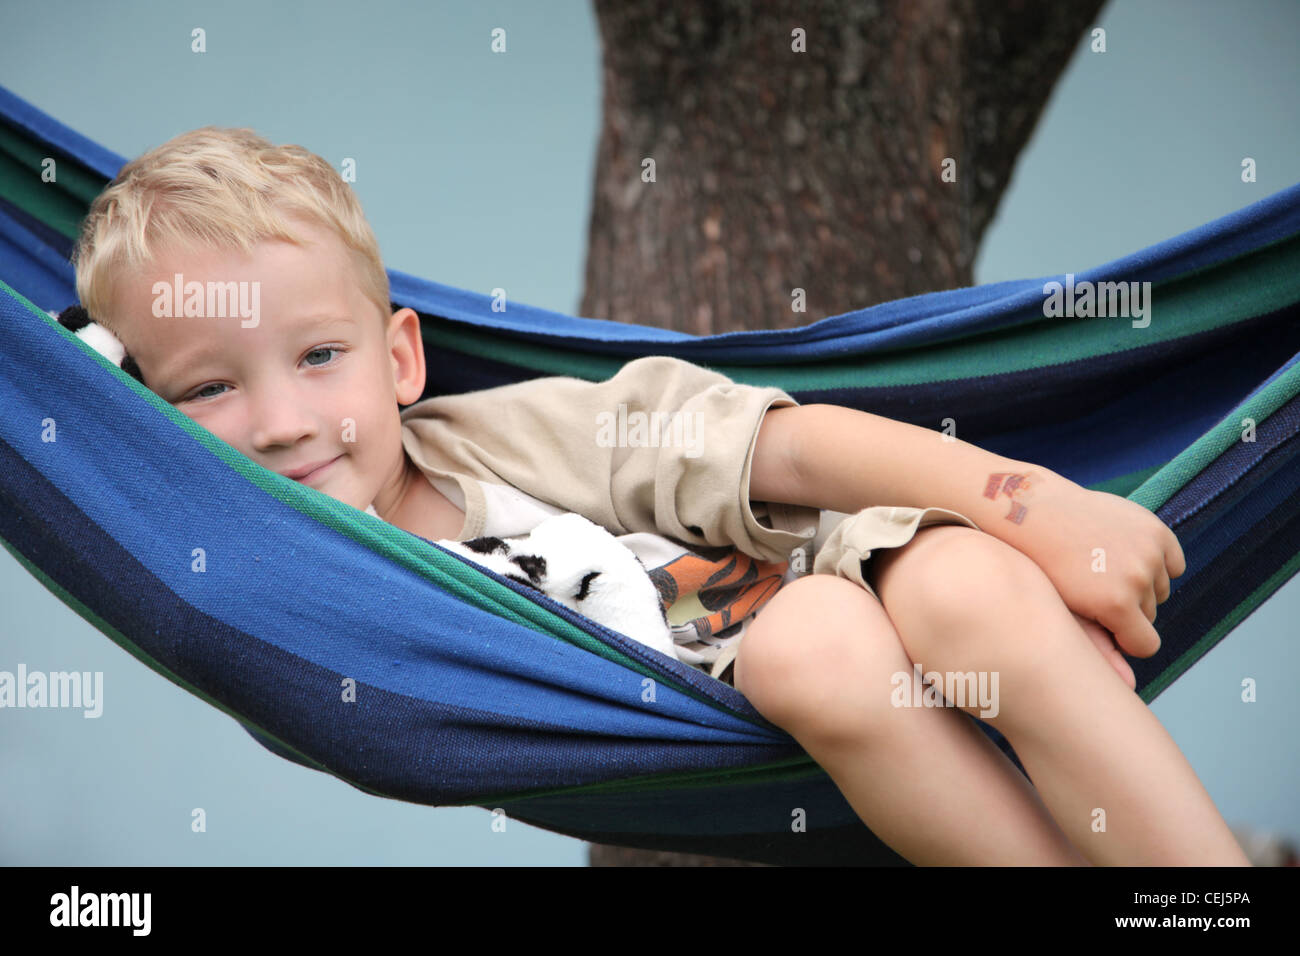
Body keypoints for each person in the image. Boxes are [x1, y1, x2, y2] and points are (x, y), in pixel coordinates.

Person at [69, 126, 1251, 867]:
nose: (279, 419)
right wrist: (106, 392)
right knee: (814, 650)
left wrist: (1039, 507)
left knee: (962, 589)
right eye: (211, 387)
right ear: (153, 421)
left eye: (319, 356)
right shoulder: (280, 588)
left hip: (857, 561)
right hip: (784, 674)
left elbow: (781, 451)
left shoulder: (503, 435)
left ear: (401, 360)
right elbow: (71, 406)